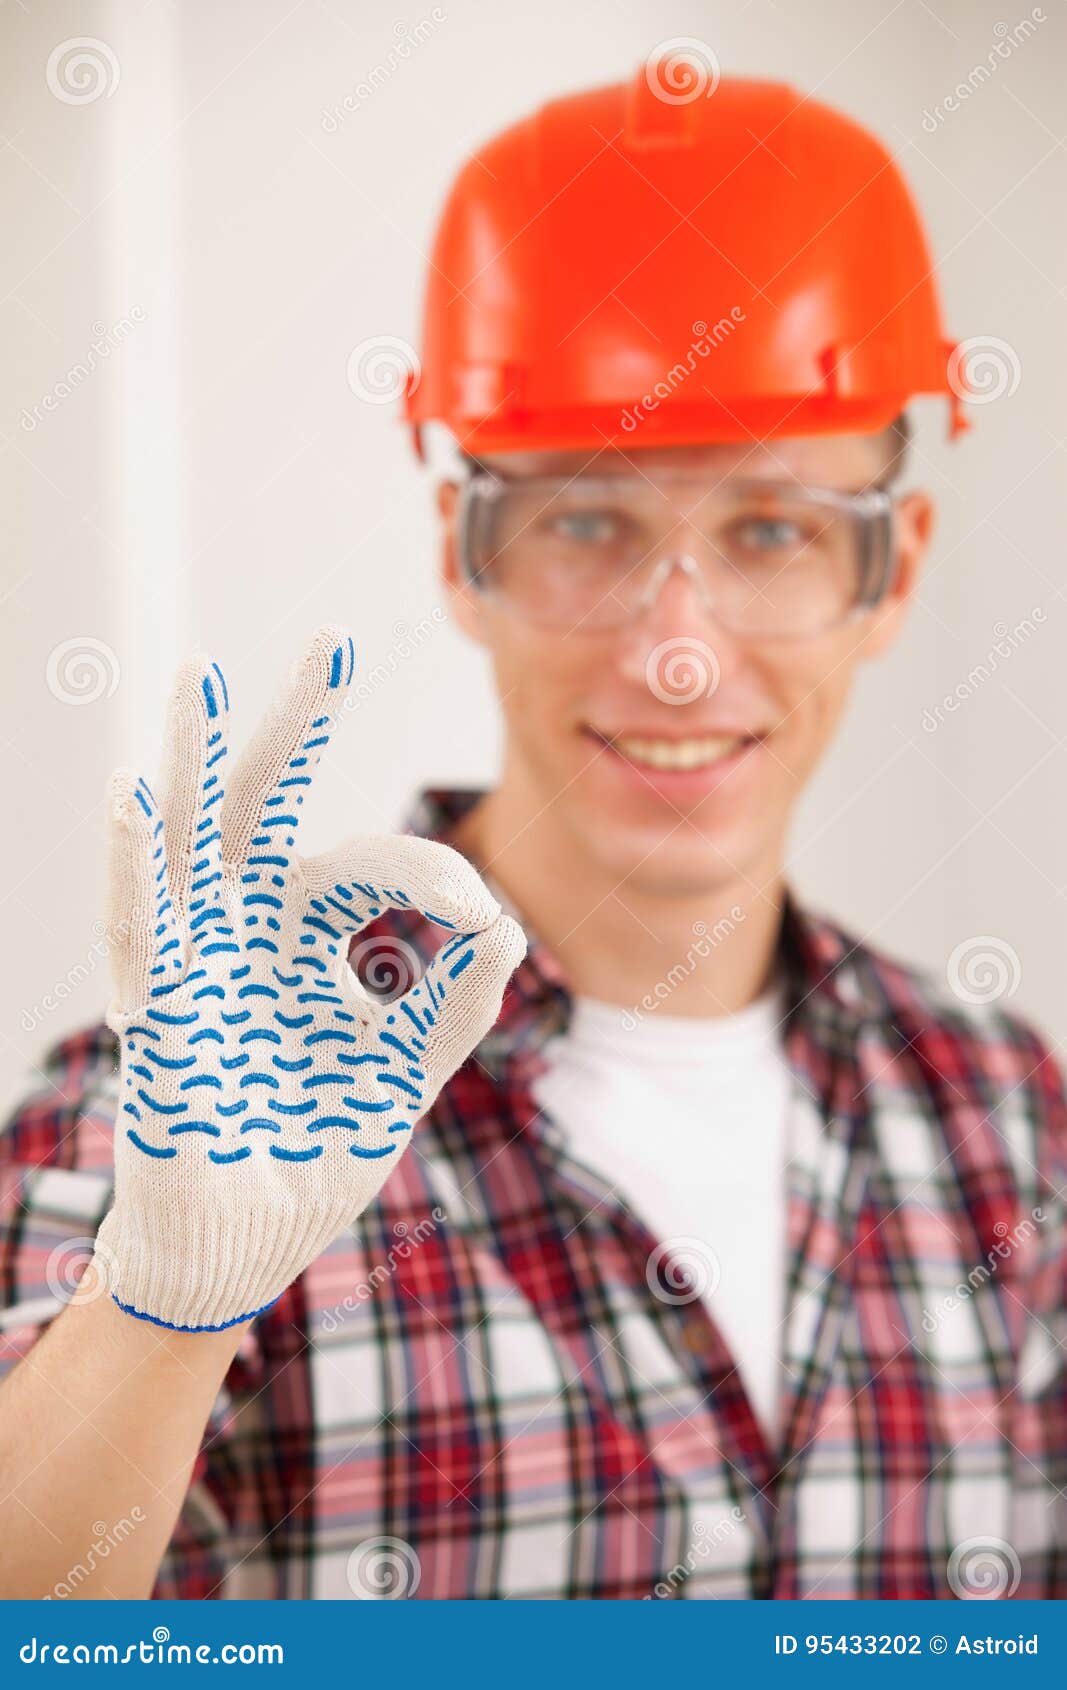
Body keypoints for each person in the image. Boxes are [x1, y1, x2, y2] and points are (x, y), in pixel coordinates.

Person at [1, 62, 1064, 1603]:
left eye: (772, 530)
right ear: (463, 551)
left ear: (893, 570)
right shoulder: (184, 1110)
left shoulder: (1000, 1122)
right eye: (588, 522)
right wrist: (159, 1308)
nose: (680, 650)